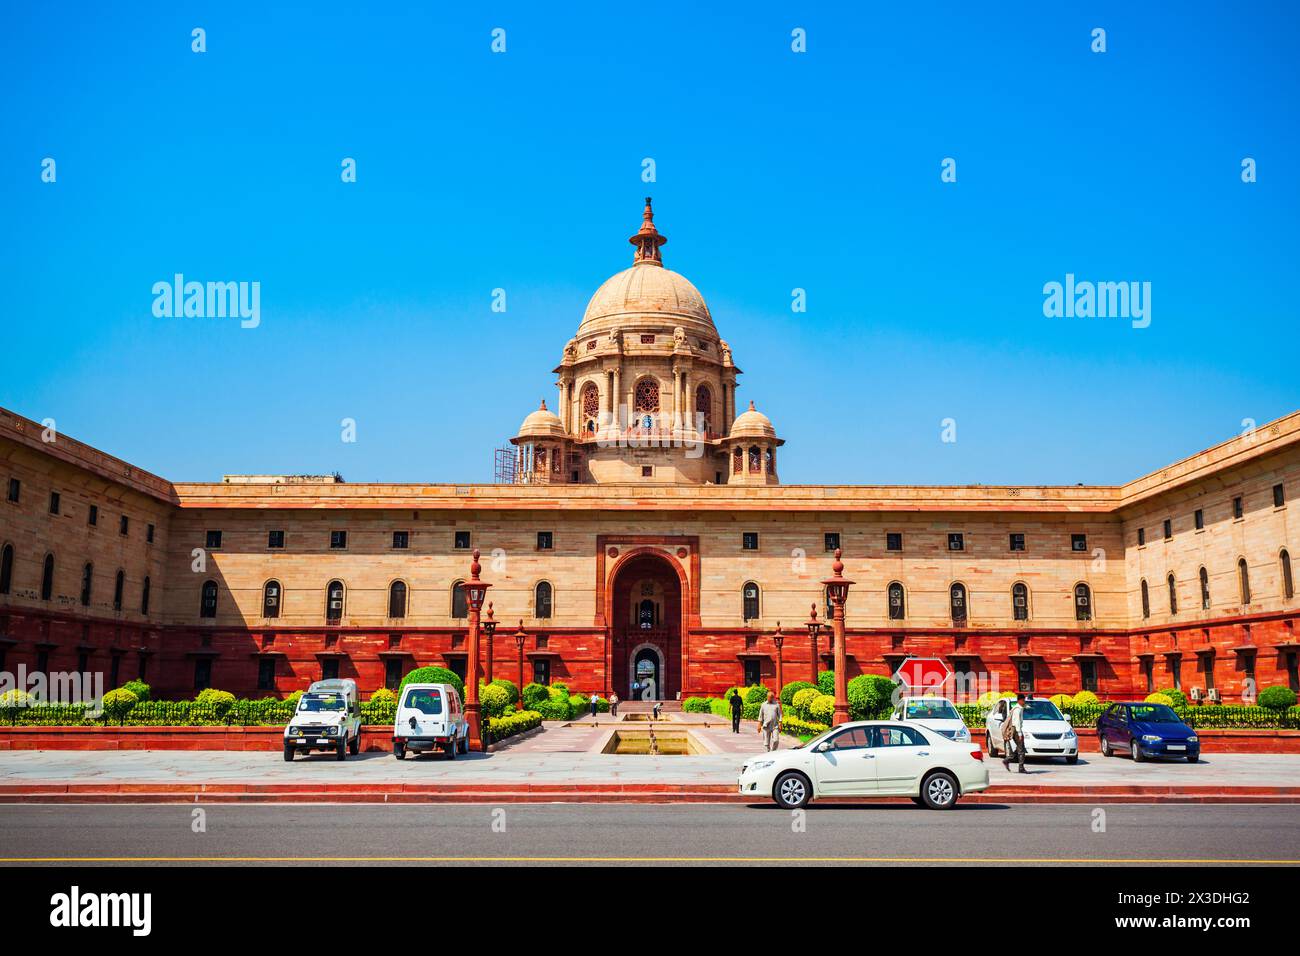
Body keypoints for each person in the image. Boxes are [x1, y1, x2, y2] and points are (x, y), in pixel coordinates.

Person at [1003, 693, 1027, 773]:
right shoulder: (1017, 710)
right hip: (1017, 731)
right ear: (1019, 700)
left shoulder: (1018, 707)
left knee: (1020, 748)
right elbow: (1017, 723)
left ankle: (1007, 760)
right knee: (1021, 750)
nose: (1024, 702)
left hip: (1016, 730)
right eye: (1023, 700)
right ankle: (1021, 768)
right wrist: (1020, 734)